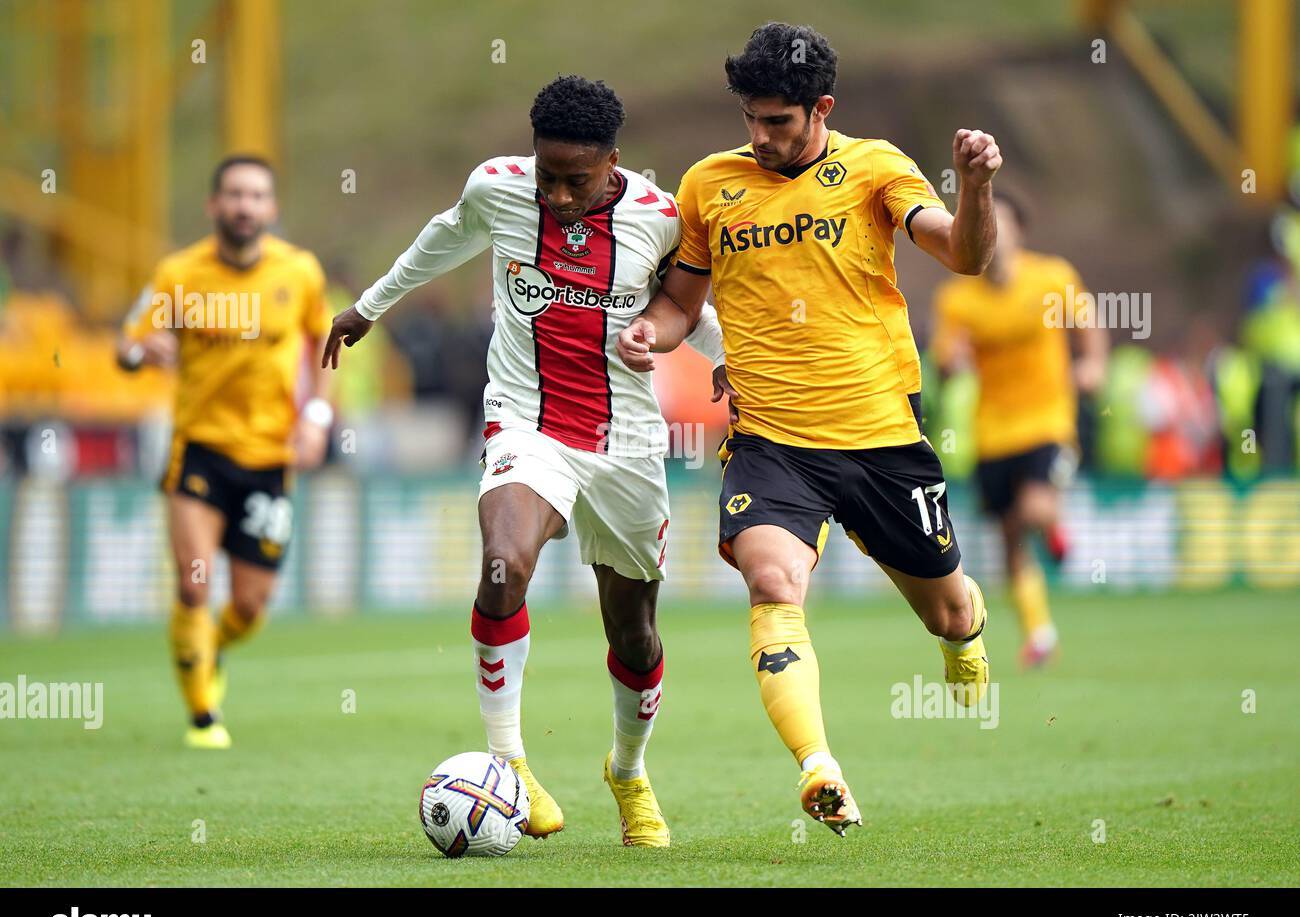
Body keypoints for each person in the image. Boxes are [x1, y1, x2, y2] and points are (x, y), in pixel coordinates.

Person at [323, 76, 727, 849]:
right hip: (526, 420)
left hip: (627, 443)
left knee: (635, 631)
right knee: (504, 563)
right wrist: (369, 305)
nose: (560, 194)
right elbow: (442, 236)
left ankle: (629, 770)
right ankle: (509, 762)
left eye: (578, 179)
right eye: (548, 175)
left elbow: (690, 309)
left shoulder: (662, 216)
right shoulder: (498, 190)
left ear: (615, 162)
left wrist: (728, 360)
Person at [617, 22, 999, 835]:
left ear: (821, 108)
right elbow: (684, 303)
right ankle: (819, 766)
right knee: (771, 583)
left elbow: (963, 256)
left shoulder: (876, 168)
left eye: (778, 122)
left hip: (882, 438)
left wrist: (974, 188)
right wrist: (651, 332)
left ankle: (966, 636)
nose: (759, 137)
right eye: (750, 119)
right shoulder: (709, 185)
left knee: (948, 611)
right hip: (772, 442)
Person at [117, 156, 333, 749]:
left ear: (271, 208)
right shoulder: (177, 274)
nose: (245, 206)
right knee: (194, 583)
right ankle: (202, 718)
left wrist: (316, 417)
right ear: (214, 205)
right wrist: (143, 354)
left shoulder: (300, 272)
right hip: (200, 449)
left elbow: (324, 343)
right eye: (234, 194)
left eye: (256, 195)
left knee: (249, 605)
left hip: (271, 458)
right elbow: (127, 343)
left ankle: (209, 649)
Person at [932, 192, 1107, 667]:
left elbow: (1088, 329)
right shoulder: (958, 298)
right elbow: (946, 361)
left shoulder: (1052, 277)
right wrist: (954, 363)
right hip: (992, 433)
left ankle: (1052, 525)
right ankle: (1040, 632)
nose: (992, 231)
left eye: (1000, 222)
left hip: (1048, 421)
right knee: (1010, 538)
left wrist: (1092, 365)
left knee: (1033, 510)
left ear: (1018, 232)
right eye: (983, 223)